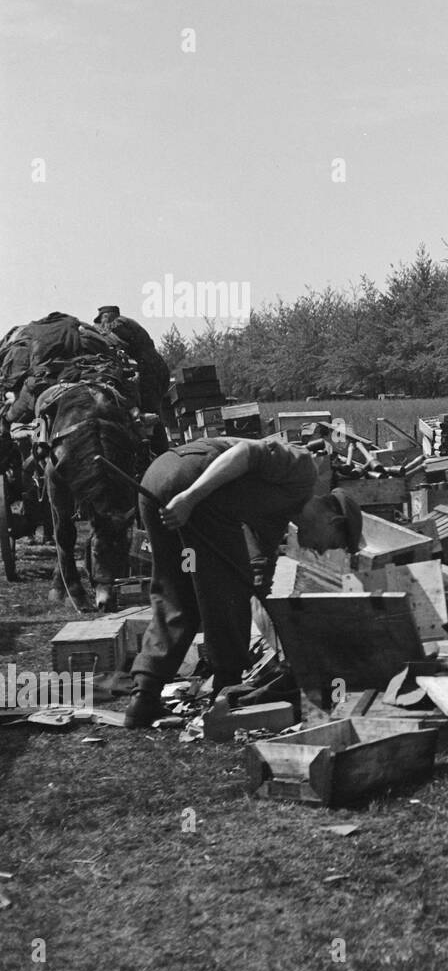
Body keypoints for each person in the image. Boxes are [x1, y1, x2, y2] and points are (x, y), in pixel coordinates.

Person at [124, 435, 362, 729]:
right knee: (227, 597)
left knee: (176, 591)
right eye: (331, 544)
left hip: (157, 479)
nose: (321, 551)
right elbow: (245, 453)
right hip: (193, 486)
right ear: (333, 521)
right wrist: (190, 498)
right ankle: (228, 696)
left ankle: (143, 697)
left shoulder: (275, 519)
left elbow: (258, 577)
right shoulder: (303, 472)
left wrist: (280, 624)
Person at [94, 305, 173, 454]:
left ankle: (155, 453)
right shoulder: (131, 325)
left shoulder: (118, 324)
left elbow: (118, 347)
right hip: (156, 370)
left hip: (148, 373)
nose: (103, 323)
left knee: (149, 415)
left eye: (104, 319)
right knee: (152, 413)